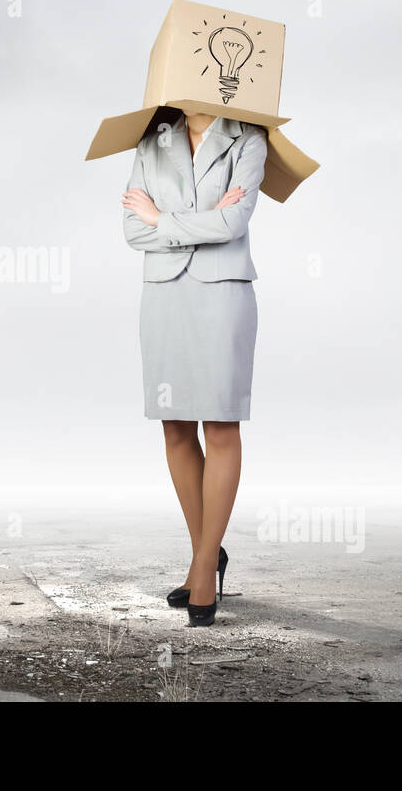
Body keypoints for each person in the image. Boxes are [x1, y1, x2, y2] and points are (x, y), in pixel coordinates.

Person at [121, 107, 268, 626]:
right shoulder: (151, 140)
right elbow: (130, 233)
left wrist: (161, 218)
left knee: (220, 423)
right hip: (163, 295)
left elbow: (234, 223)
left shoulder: (248, 138)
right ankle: (206, 549)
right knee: (176, 427)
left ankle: (205, 566)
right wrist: (198, 222)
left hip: (223, 294)